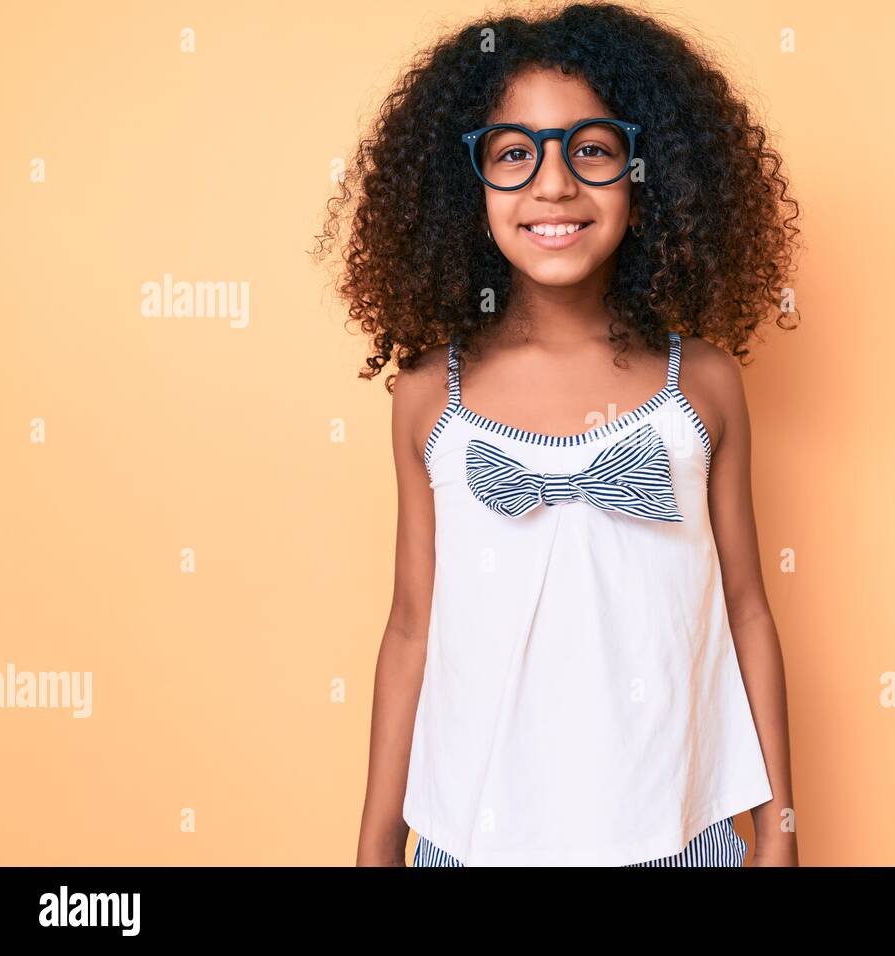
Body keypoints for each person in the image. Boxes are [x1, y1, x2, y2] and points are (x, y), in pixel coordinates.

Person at [317, 2, 802, 866]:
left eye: (592, 149)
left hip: (679, 836)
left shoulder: (705, 387)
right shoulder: (430, 398)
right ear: (466, 191)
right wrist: (375, 848)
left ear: (645, 174)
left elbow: (748, 611)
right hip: (475, 843)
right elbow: (411, 629)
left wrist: (778, 832)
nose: (554, 185)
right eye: (514, 154)